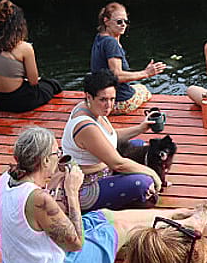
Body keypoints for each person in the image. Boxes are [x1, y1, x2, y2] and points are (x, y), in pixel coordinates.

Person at [0, 125, 207, 263]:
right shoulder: (38, 200)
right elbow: (76, 244)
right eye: (56, 153)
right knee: (117, 227)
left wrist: (52, 186)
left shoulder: (5, 180)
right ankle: (187, 225)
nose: (59, 157)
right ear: (45, 160)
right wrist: (71, 191)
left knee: (104, 216)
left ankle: (171, 215)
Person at [61, 70, 164, 212]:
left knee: (139, 145)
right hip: (86, 186)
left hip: (105, 167)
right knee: (144, 182)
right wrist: (153, 174)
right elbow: (118, 164)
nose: (109, 105)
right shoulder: (86, 126)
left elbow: (110, 137)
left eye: (112, 99)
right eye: (103, 100)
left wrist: (141, 128)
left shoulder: (90, 108)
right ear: (89, 97)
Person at [0, 0, 63, 113]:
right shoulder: (24, 48)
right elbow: (34, 81)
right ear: (19, 25)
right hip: (18, 102)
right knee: (53, 84)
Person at [91, 1, 168, 115]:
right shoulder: (111, 43)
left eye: (125, 21)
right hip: (118, 102)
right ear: (106, 21)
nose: (123, 25)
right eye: (119, 21)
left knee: (137, 86)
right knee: (145, 90)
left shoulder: (101, 38)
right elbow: (116, 75)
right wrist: (146, 73)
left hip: (100, 98)